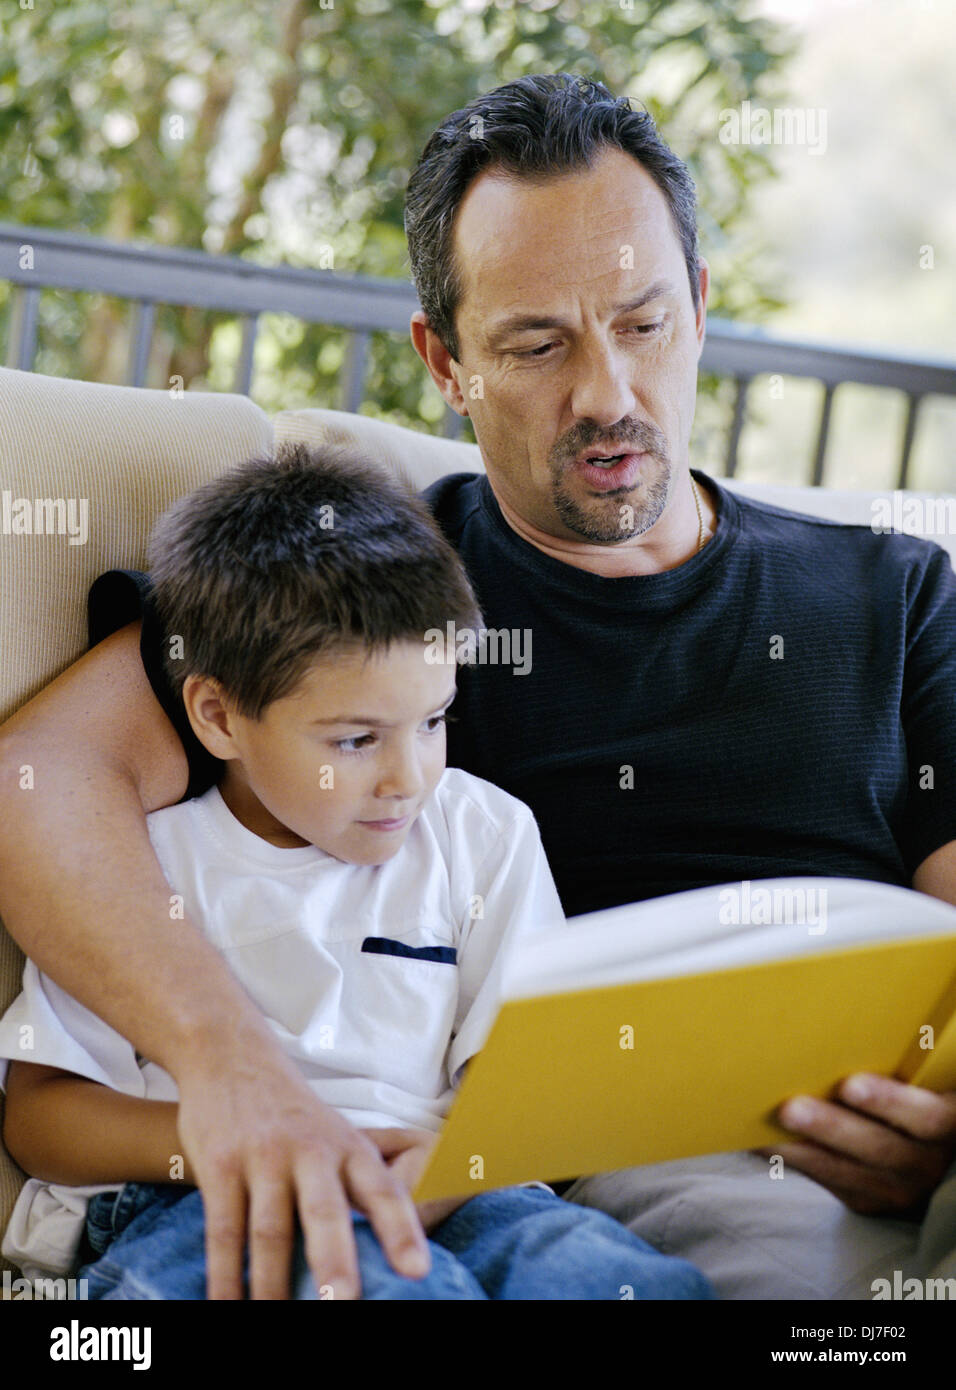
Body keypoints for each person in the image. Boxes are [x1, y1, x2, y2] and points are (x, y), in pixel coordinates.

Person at [0, 72, 954, 1301]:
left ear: (703, 307)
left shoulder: (899, 594)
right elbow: (43, 776)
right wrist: (230, 1071)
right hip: (590, 1181)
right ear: (443, 363)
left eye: (643, 322)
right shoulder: (373, 595)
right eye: (535, 343)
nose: (606, 394)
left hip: (877, 1174)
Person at [0, 445, 715, 1301]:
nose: (408, 777)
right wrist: (242, 1141)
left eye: (433, 720)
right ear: (219, 716)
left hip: (451, 1187)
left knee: (605, 1279)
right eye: (355, 740)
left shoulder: (483, 834)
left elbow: (532, 1083)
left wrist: (435, 1174)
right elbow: (43, 1119)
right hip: (200, 1194)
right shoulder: (139, 862)